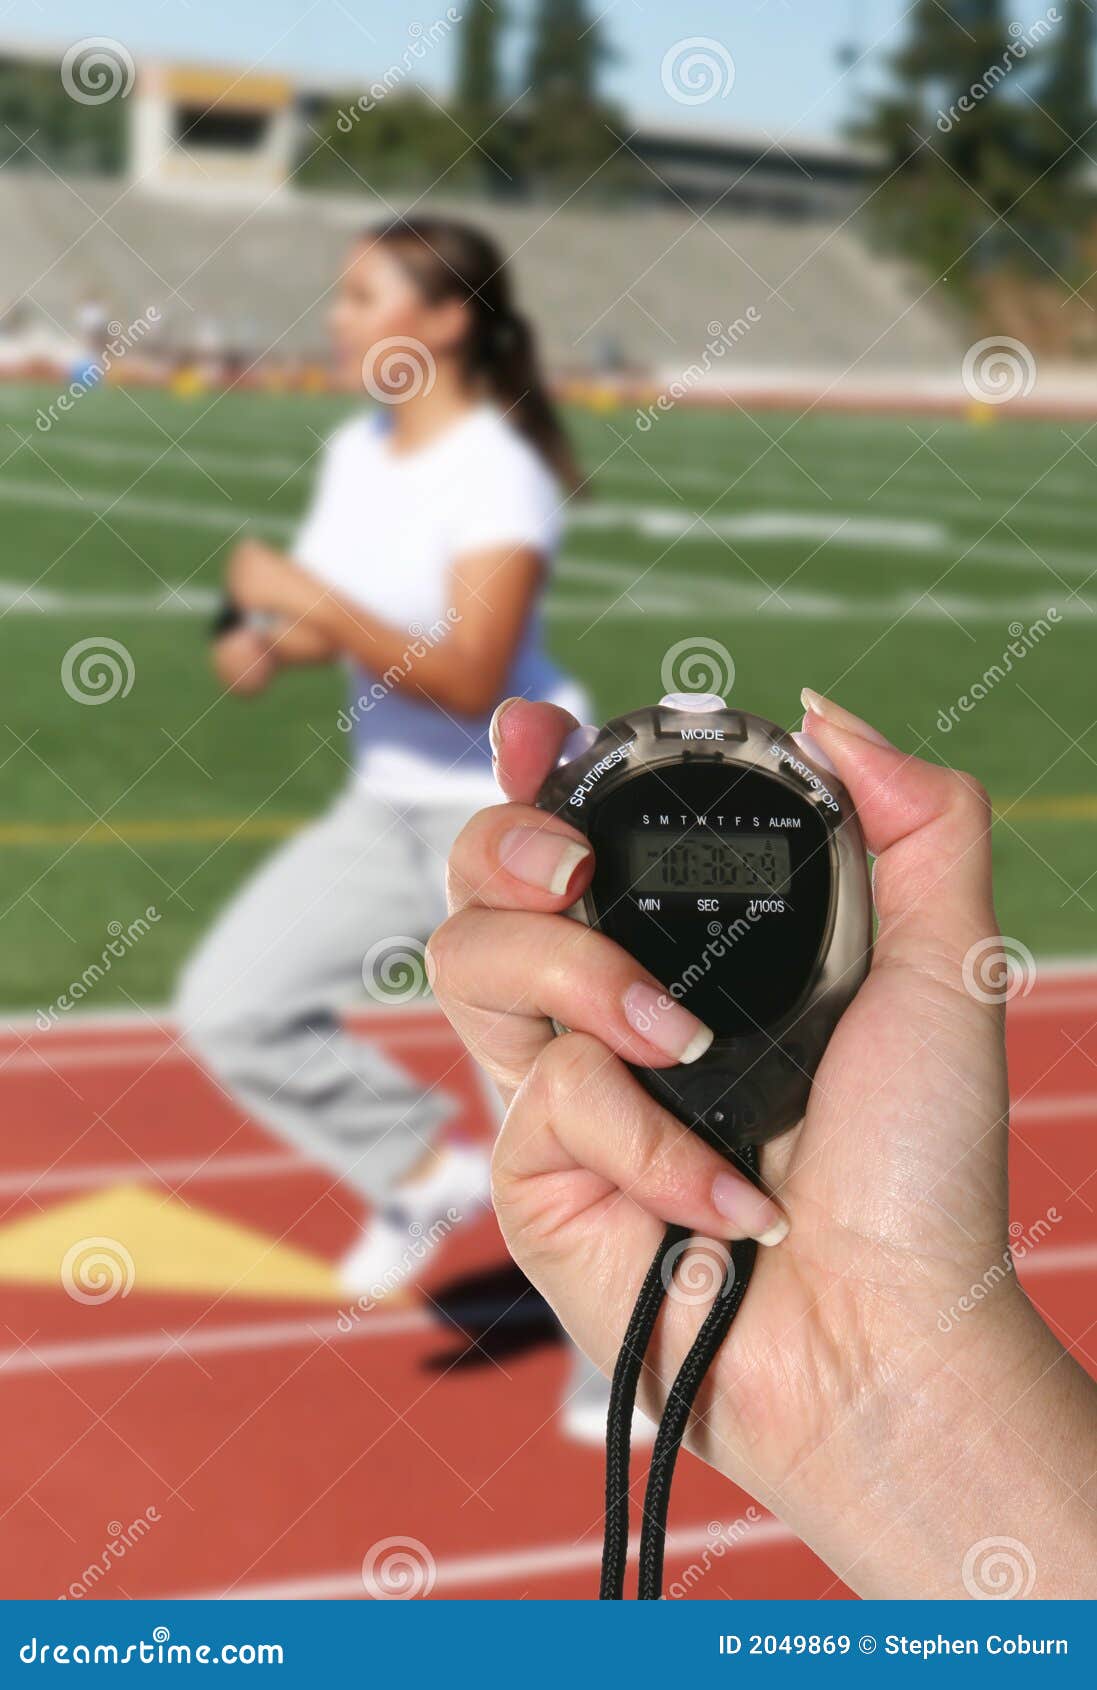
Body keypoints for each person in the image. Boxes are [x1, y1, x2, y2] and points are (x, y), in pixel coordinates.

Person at [428, 689, 1097, 1597]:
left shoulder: (638, 797)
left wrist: (899, 1351)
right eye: (680, 865)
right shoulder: (791, 809)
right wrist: (869, 1378)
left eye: (728, 868)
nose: (707, 888)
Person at [175, 218, 587, 1308]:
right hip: (386, 811)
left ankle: (616, 1357)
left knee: (541, 1104)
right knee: (231, 1005)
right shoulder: (357, 451)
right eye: (340, 297)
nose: (338, 319)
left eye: (363, 297)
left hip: (501, 814)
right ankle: (414, 1172)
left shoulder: (497, 474)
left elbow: (467, 676)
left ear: (445, 320)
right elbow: (335, 623)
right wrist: (263, 636)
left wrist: (301, 599)